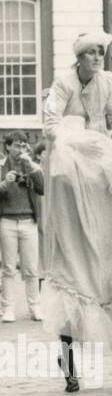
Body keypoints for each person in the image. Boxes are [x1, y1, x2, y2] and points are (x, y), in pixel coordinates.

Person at [41, 31, 112, 393]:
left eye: (100, 52)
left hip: (101, 178)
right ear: (79, 57)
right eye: (90, 53)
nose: (97, 57)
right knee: (75, 261)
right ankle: (71, 367)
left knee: (111, 259)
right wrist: (79, 140)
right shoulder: (63, 83)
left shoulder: (107, 82)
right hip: (72, 179)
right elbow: (51, 125)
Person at [1, 131, 43, 324]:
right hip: (7, 221)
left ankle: (34, 307)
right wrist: (4, 182)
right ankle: (8, 308)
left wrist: (32, 166)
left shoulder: (30, 165)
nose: (20, 149)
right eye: (16, 145)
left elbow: (42, 188)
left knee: (31, 269)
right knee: (9, 268)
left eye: (23, 145)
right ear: (8, 146)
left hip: (28, 221)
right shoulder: (1, 166)